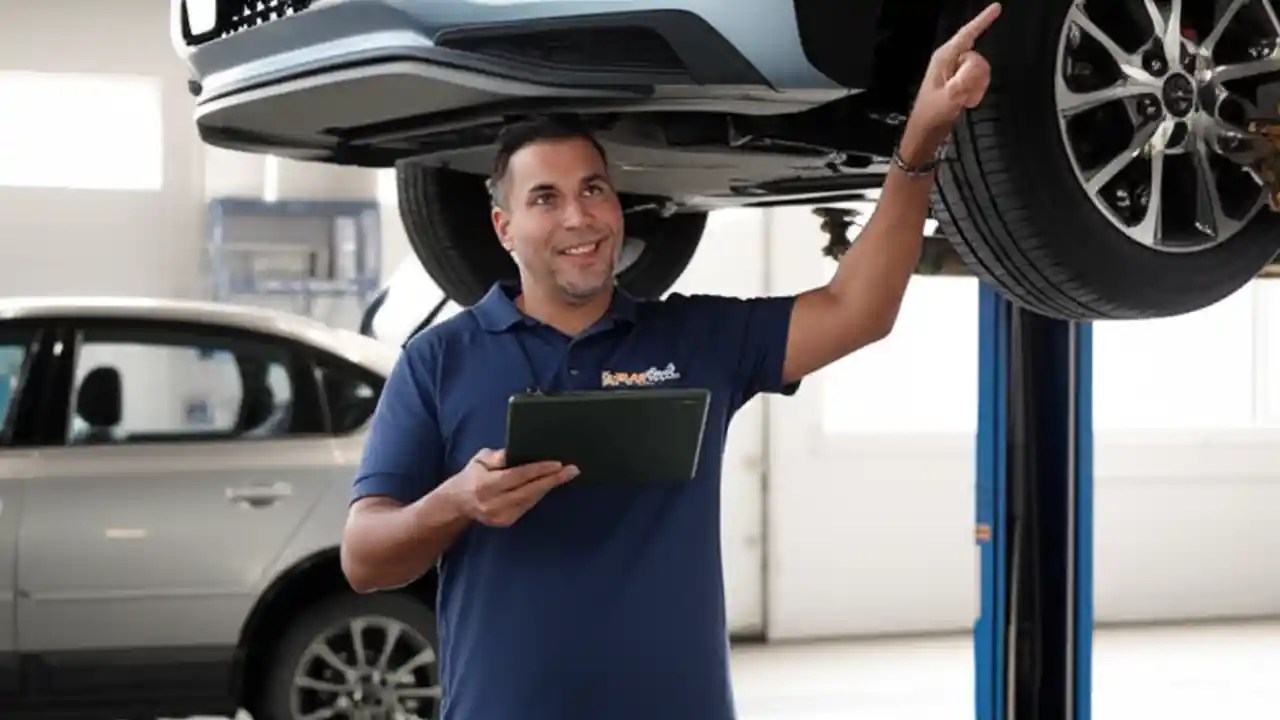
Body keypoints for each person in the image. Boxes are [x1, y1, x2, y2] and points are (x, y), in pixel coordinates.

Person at [339, 4, 1001, 718]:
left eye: (593, 189)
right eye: (546, 199)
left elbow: (857, 309)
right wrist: (456, 503)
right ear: (504, 227)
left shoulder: (694, 338)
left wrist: (920, 137)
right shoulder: (438, 361)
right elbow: (364, 558)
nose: (578, 217)